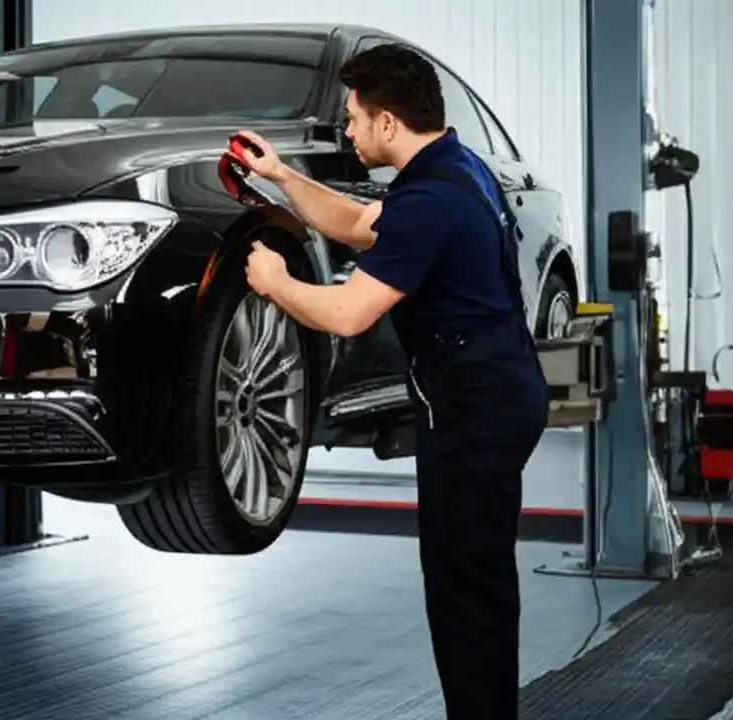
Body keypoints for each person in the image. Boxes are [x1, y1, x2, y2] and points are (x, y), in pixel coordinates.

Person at [231, 43, 549, 719]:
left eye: (352, 118)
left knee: (466, 588)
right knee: (474, 580)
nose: (346, 130)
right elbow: (357, 221)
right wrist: (281, 176)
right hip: (495, 394)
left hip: (475, 413)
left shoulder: (431, 199)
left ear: (387, 124)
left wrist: (276, 282)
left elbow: (348, 315)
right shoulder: (454, 169)